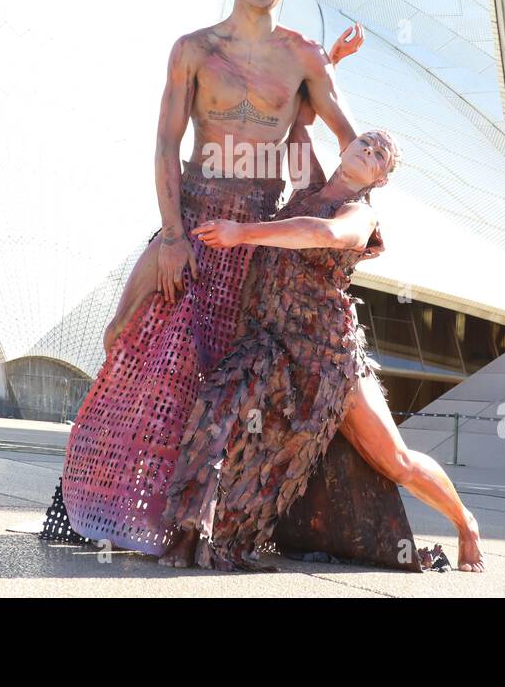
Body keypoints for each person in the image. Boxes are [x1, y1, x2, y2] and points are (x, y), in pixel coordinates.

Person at [59, 0, 368, 555]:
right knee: (152, 361)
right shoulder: (194, 50)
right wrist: (172, 239)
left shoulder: (305, 57)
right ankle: (123, 516)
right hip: (197, 225)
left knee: (234, 384)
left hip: (256, 232)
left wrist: (347, 217)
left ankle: (208, 523)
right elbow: (165, 145)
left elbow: (350, 142)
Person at [157, 130, 486, 572]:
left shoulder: (359, 215)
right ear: (345, 145)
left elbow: (326, 234)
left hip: (327, 359)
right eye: (364, 143)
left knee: (395, 460)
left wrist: (243, 233)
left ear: (380, 179)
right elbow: (298, 115)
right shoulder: (308, 186)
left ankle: (466, 524)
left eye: (378, 156)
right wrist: (328, 58)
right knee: (220, 409)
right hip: (270, 344)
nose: (368, 152)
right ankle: (199, 531)